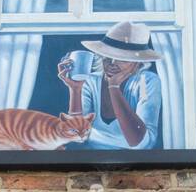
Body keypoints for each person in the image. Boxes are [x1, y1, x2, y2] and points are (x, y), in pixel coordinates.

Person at [58, 21, 162, 150]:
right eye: (107, 56)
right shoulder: (91, 81)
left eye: (122, 58)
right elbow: (76, 132)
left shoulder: (146, 81)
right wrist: (75, 89)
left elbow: (139, 142)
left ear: (137, 63)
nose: (112, 63)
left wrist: (114, 87)